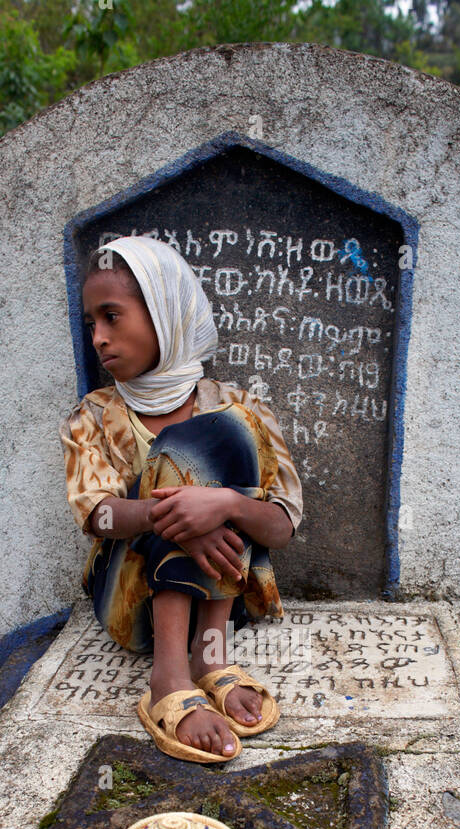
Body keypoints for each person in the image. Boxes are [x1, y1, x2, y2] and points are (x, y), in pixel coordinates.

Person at [60, 235, 303, 765]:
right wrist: (169, 514)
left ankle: (209, 658)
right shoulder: (93, 416)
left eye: (112, 317)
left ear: (165, 312)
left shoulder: (239, 406)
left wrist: (225, 508)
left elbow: (282, 526)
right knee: (182, 453)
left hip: (228, 599)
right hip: (133, 600)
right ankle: (169, 673)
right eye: (91, 325)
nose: (99, 338)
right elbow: (97, 514)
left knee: (226, 431)